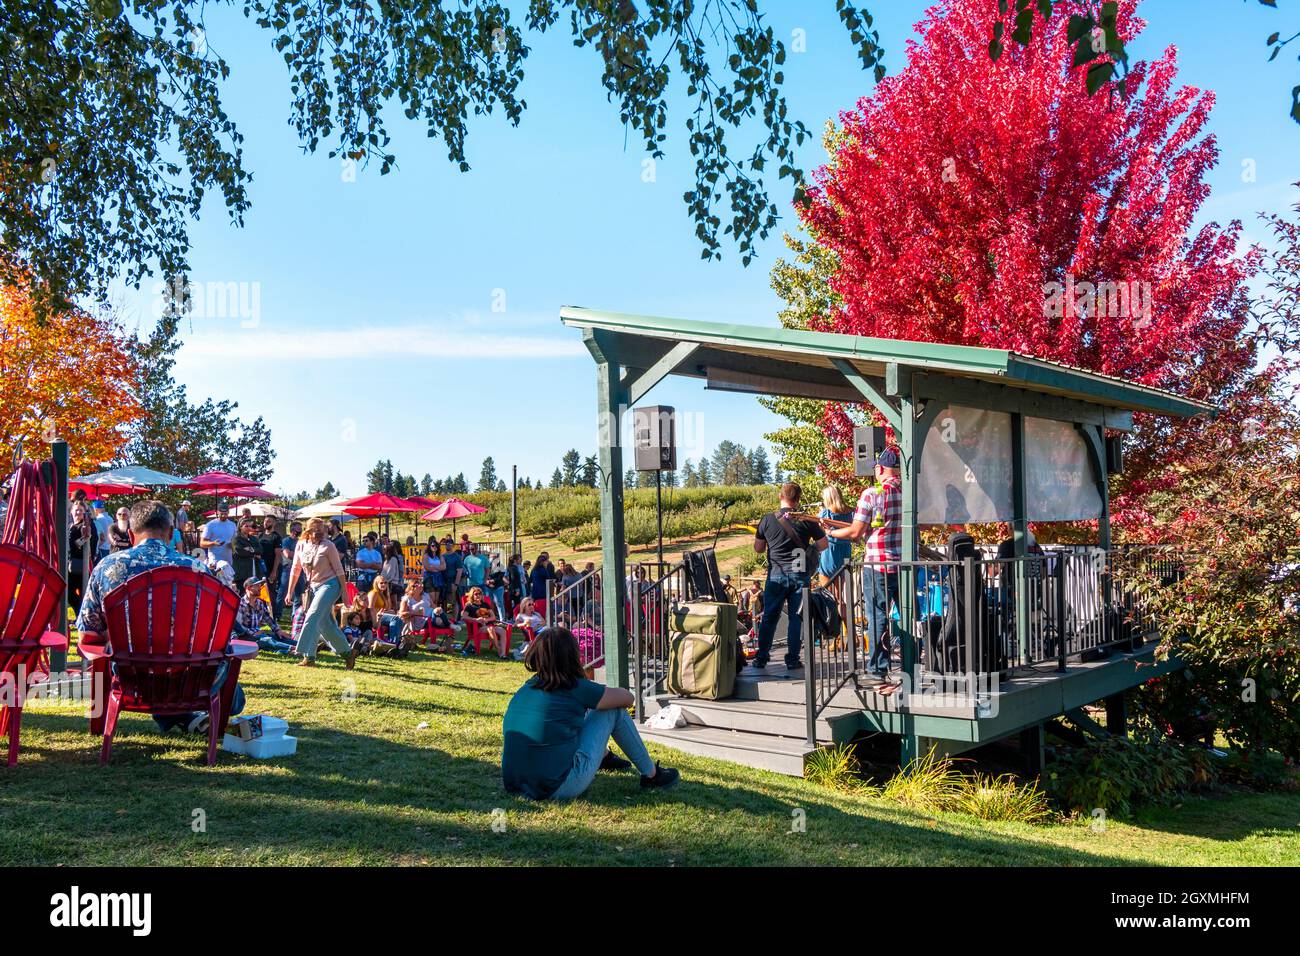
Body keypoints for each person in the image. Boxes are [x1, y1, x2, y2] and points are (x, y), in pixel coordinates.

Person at [74, 500, 247, 733]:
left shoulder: (107, 567)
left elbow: (87, 636)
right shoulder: (197, 568)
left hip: (133, 677)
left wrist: (118, 634)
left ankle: (174, 717)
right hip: (193, 680)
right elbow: (218, 633)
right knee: (236, 697)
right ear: (170, 534)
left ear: (131, 535)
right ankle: (187, 715)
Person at [501, 627, 678, 800]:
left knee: (575, 716)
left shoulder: (526, 688)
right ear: (572, 656)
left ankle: (603, 756)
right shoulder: (575, 687)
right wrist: (597, 692)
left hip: (513, 783)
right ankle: (652, 775)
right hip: (556, 787)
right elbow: (627, 698)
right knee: (612, 709)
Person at [824, 448, 902, 684]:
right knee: (909, 615)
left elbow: (856, 532)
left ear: (879, 469)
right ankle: (913, 666)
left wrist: (831, 531)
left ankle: (877, 670)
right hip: (906, 564)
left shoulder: (871, 493)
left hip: (878, 563)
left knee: (876, 615)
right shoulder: (911, 492)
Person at [752, 481, 828, 671]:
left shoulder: (767, 520)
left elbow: (758, 549)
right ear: (798, 499)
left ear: (781, 496)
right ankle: (792, 659)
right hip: (799, 575)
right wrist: (809, 549)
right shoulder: (806, 520)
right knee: (796, 618)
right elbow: (824, 544)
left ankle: (761, 657)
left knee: (770, 616)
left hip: (776, 575)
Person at [284, 517, 359, 668]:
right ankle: (347, 653)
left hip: (330, 585)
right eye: (316, 530)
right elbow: (296, 569)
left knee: (312, 615)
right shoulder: (301, 545)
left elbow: (339, 570)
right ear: (308, 531)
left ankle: (304, 652)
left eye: (322, 530)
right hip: (312, 587)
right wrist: (289, 591)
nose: (320, 533)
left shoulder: (329, 546)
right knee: (325, 624)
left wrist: (344, 593)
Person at [236, 577, 295, 654]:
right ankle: (295, 649)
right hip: (246, 637)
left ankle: (303, 647)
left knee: (279, 637)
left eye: (260, 585)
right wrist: (253, 633)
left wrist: (278, 630)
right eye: (257, 585)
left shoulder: (259, 603)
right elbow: (239, 627)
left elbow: (268, 619)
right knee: (268, 640)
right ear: (249, 588)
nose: (260, 588)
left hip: (258, 634)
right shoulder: (240, 604)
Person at [67, 501, 99, 613]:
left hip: (82, 564)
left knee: (82, 592)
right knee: (69, 593)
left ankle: (82, 615)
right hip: (71, 564)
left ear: (85, 512)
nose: (78, 512)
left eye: (81, 510)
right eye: (76, 510)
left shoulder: (86, 525)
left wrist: (81, 541)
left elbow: (91, 542)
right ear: (71, 511)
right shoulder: (71, 526)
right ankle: (79, 614)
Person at [461, 585, 509, 658]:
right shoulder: (469, 606)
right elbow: (464, 616)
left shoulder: (485, 604)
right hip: (478, 628)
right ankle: (500, 651)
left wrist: (486, 620)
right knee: (491, 629)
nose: (478, 595)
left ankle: (503, 653)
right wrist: (476, 620)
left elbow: (493, 617)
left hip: (489, 625)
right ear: (472, 595)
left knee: (503, 631)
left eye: (480, 594)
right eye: (476, 594)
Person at [818, 485, 854, 581]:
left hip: (830, 551)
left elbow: (818, 533)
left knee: (828, 592)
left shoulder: (826, 514)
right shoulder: (852, 512)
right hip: (845, 551)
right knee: (845, 589)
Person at [279, 521, 307, 618]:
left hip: (300, 570)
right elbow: (287, 554)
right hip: (288, 569)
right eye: (298, 528)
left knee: (299, 594)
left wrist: (296, 554)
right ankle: (277, 615)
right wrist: (300, 555)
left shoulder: (302, 541)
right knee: (283, 592)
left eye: (301, 528)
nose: (300, 530)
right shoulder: (286, 541)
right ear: (292, 529)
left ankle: (295, 615)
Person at [257, 518, 283, 615]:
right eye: (264, 521)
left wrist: (274, 572)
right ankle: (262, 615)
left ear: (274, 523)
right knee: (261, 592)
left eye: (268, 521)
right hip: (261, 568)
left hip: (272, 568)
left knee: (271, 593)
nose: (265, 523)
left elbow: (278, 555)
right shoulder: (260, 535)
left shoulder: (276, 537)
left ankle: (273, 616)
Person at [232, 518, 261, 590]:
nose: (249, 528)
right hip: (241, 573)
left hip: (253, 571)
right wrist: (254, 554)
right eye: (246, 526)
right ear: (240, 527)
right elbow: (240, 551)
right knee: (241, 594)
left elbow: (260, 550)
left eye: (250, 526)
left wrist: (250, 549)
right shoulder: (236, 539)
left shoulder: (253, 539)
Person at [421, 538, 445, 610]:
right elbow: (427, 567)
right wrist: (438, 568)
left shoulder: (439, 556)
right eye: (433, 546)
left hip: (438, 578)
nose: (434, 547)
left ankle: (435, 614)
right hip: (429, 578)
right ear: (429, 546)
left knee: (436, 599)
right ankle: (431, 615)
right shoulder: (426, 555)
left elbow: (444, 567)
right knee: (432, 598)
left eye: (436, 546)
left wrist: (434, 566)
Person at [529, 552, 554, 617]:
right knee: (543, 608)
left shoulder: (533, 570)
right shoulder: (543, 570)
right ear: (542, 562)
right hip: (543, 592)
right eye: (546, 561)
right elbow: (548, 579)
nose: (547, 562)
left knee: (536, 608)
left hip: (535, 592)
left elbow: (530, 580)